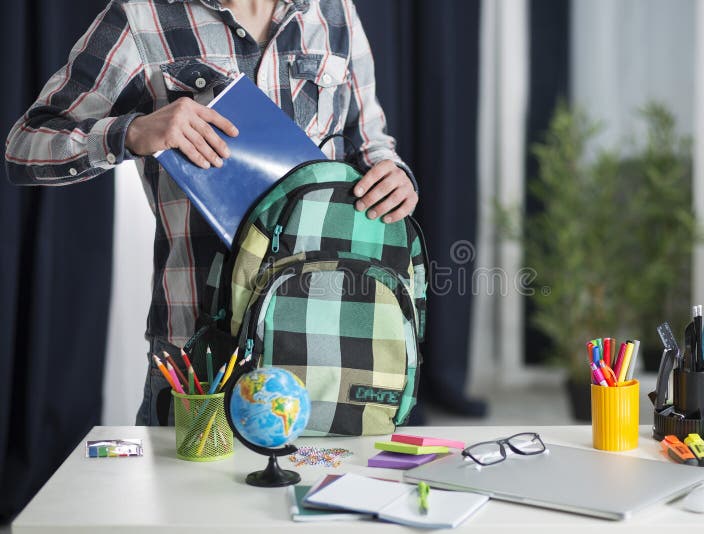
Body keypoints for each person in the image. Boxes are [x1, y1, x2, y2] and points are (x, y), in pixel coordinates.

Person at [5, 0, 418, 425]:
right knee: (192, 491)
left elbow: (371, 146)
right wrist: (130, 132)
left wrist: (396, 178)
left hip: (326, 337)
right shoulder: (140, 16)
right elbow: (25, 146)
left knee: (321, 488)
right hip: (199, 352)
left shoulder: (335, 11)